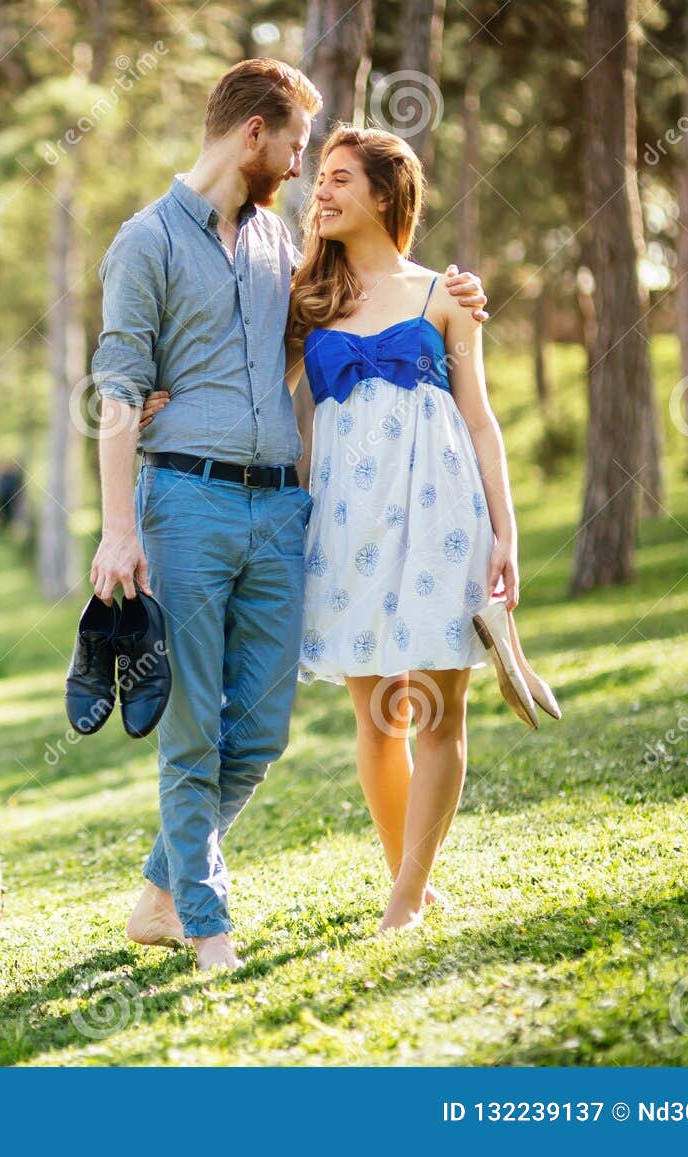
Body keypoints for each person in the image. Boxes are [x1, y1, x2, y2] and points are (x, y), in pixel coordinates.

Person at [92, 59, 488, 971]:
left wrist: (451, 297)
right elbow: (117, 393)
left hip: (281, 513)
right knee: (196, 725)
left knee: (260, 730)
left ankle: (159, 891)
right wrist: (120, 527)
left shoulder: (283, 252)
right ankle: (206, 922)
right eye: (299, 148)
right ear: (253, 136)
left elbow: (372, 310)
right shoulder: (145, 241)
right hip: (185, 504)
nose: (306, 170)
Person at [287, 126, 517, 933]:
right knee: (378, 715)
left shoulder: (446, 295)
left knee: (437, 708)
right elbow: (244, 376)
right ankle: (410, 882)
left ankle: (402, 901)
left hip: (440, 512)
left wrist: (505, 532)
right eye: (319, 176)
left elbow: (481, 420)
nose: (321, 190)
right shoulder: (306, 298)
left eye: (340, 177)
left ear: (384, 195)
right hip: (348, 521)